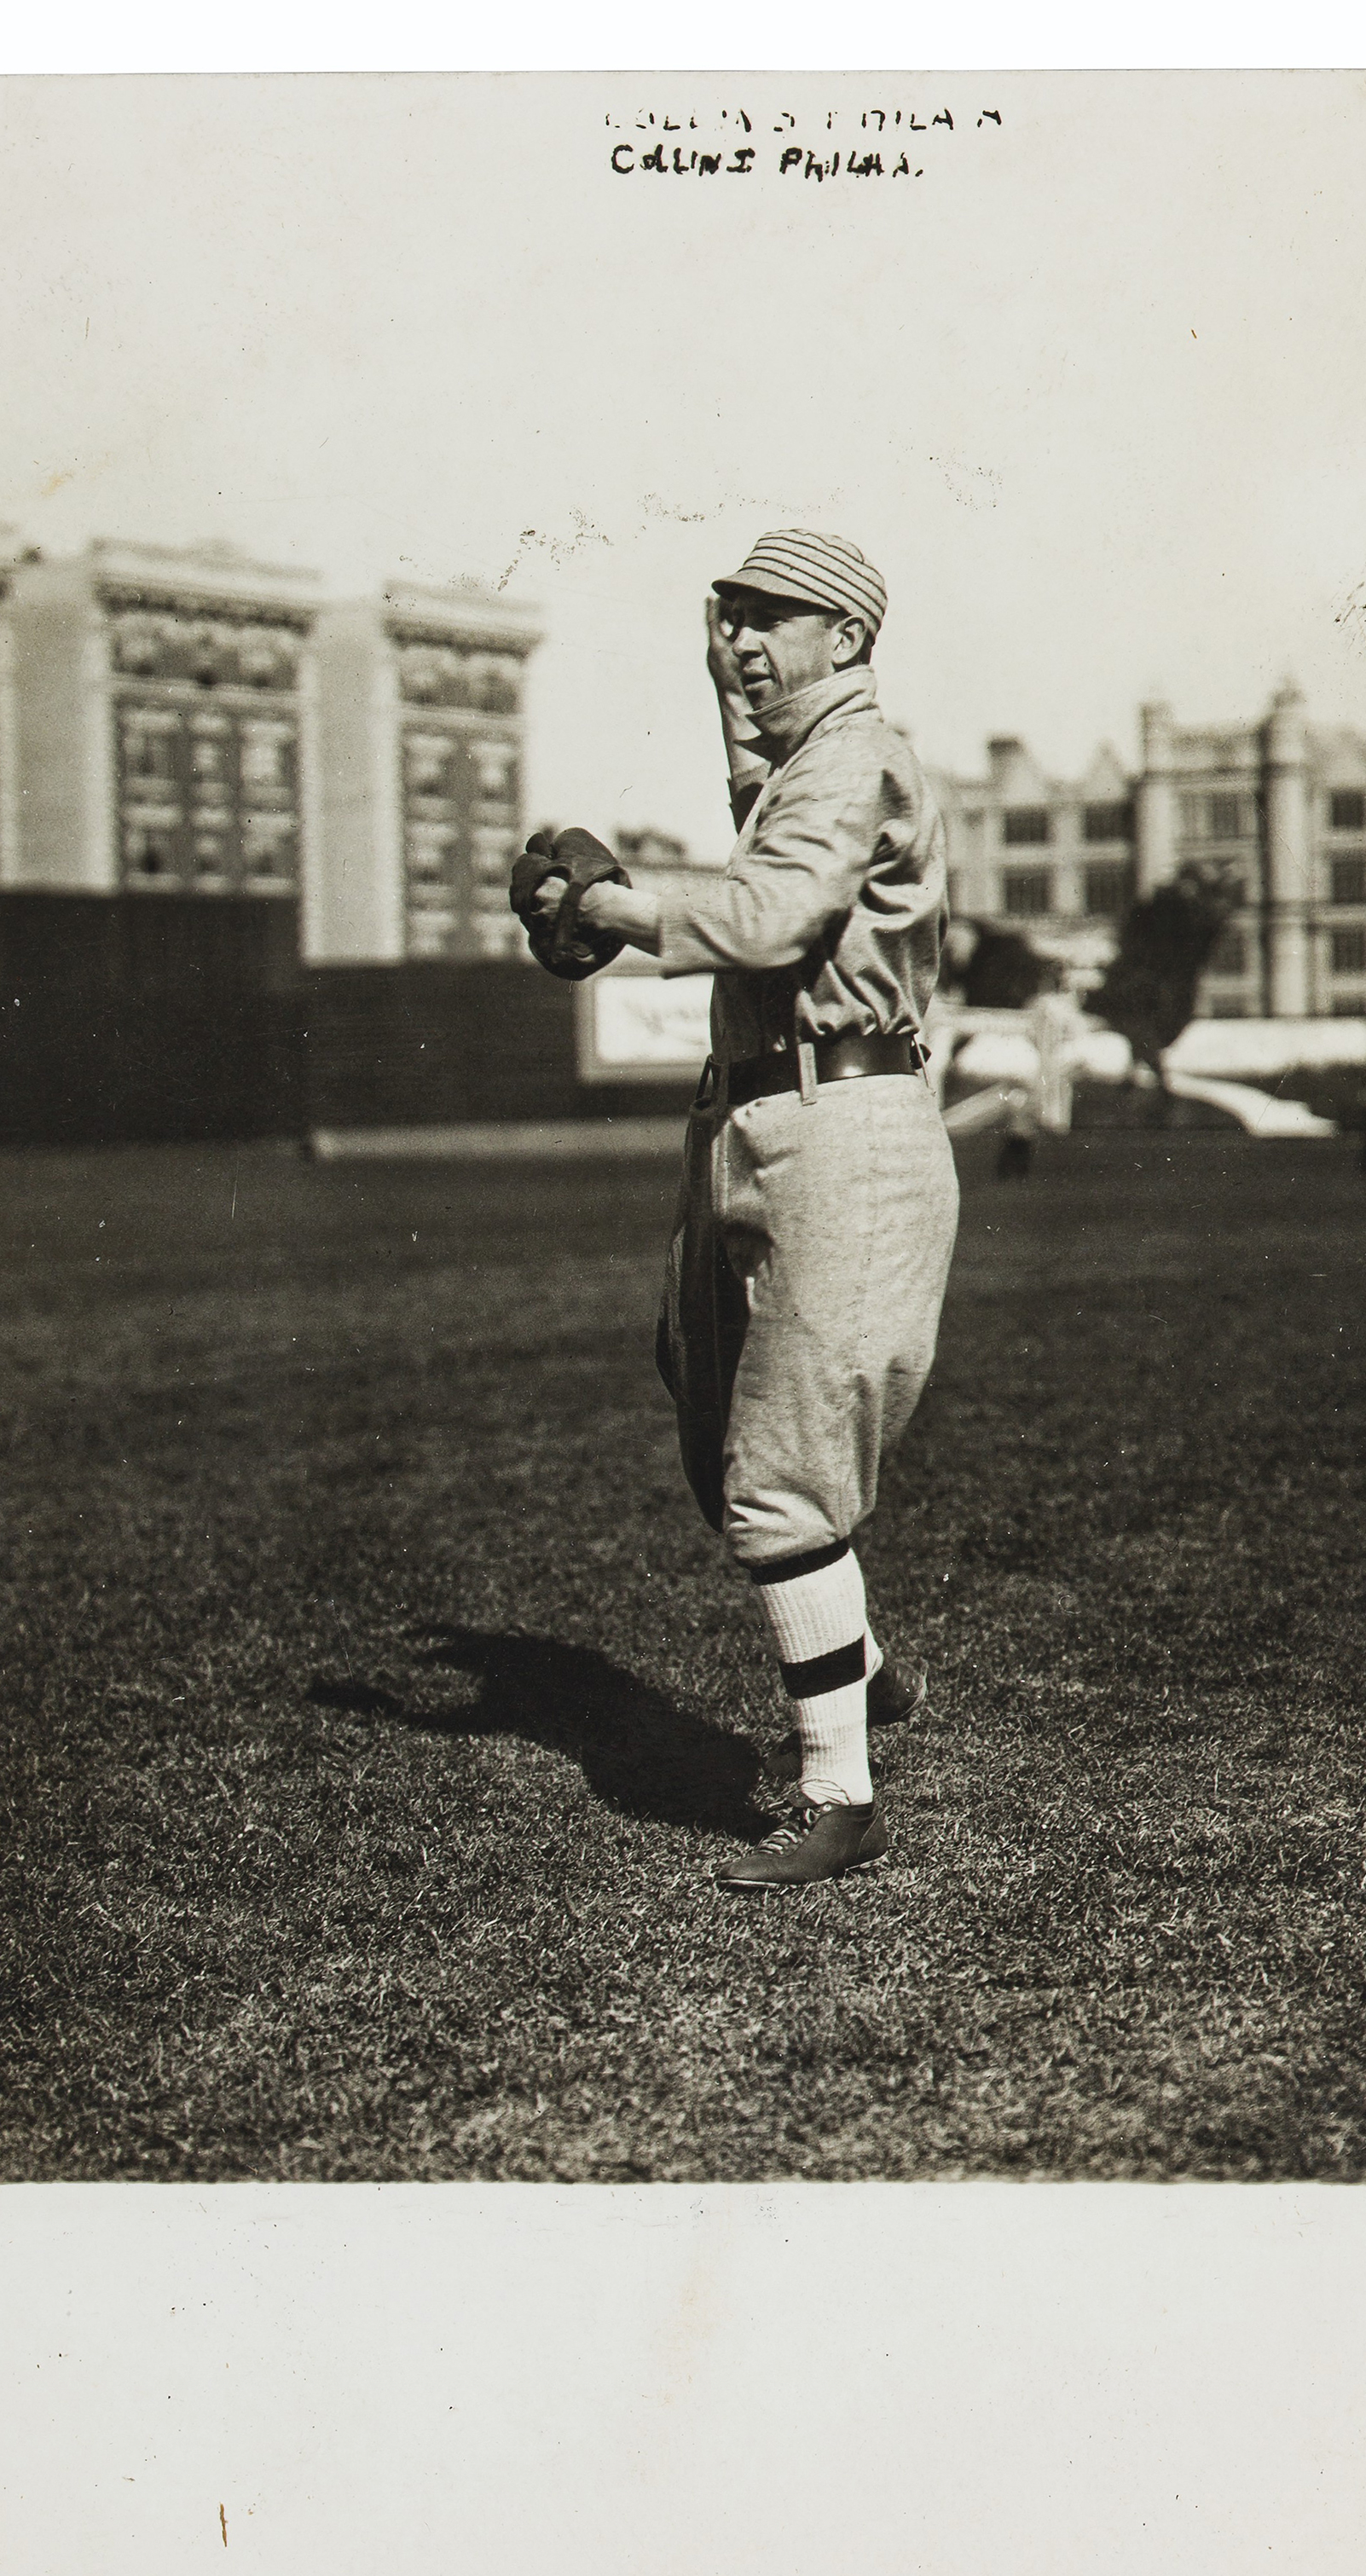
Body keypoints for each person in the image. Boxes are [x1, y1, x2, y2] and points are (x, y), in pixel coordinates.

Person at [519, 531, 959, 1888]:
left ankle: (842, 1796)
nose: (749, 641)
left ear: (851, 637)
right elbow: (761, 798)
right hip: (752, 1120)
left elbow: (771, 921)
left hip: (848, 1127)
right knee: (709, 1415)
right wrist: (726, 690)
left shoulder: (857, 753)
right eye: (736, 621)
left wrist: (604, 902)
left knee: (778, 1484)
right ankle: (863, 1669)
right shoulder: (802, 756)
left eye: (781, 620)